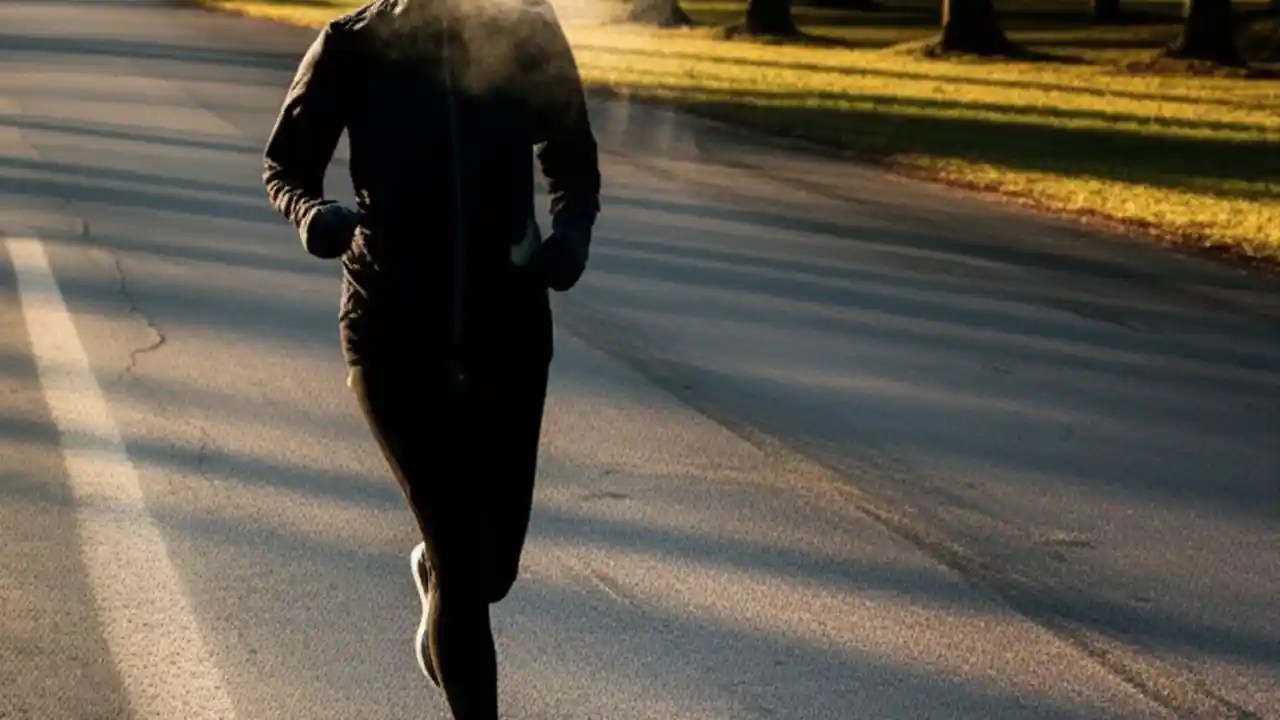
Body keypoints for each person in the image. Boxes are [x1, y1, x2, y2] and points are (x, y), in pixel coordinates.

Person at [260, 0, 601, 717]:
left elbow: (571, 161)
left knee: (493, 569)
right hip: (389, 329)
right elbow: (286, 165)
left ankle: (440, 572)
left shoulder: (526, 29)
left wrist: (571, 236)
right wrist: (312, 218)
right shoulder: (354, 43)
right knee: (460, 560)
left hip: (506, 325)